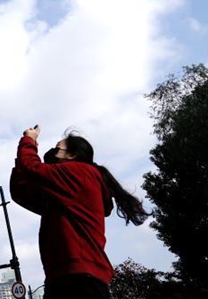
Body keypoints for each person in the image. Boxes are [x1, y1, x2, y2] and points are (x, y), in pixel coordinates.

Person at [10, 125, 151, 299]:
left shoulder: (79, 173)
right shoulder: (62, 191)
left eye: (58, 148)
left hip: (77, 278)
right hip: (68, 276)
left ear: (72, 155)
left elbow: (31, 168)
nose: (53, 151)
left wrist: (29, 141)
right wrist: (22, 161)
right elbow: (22, 192)